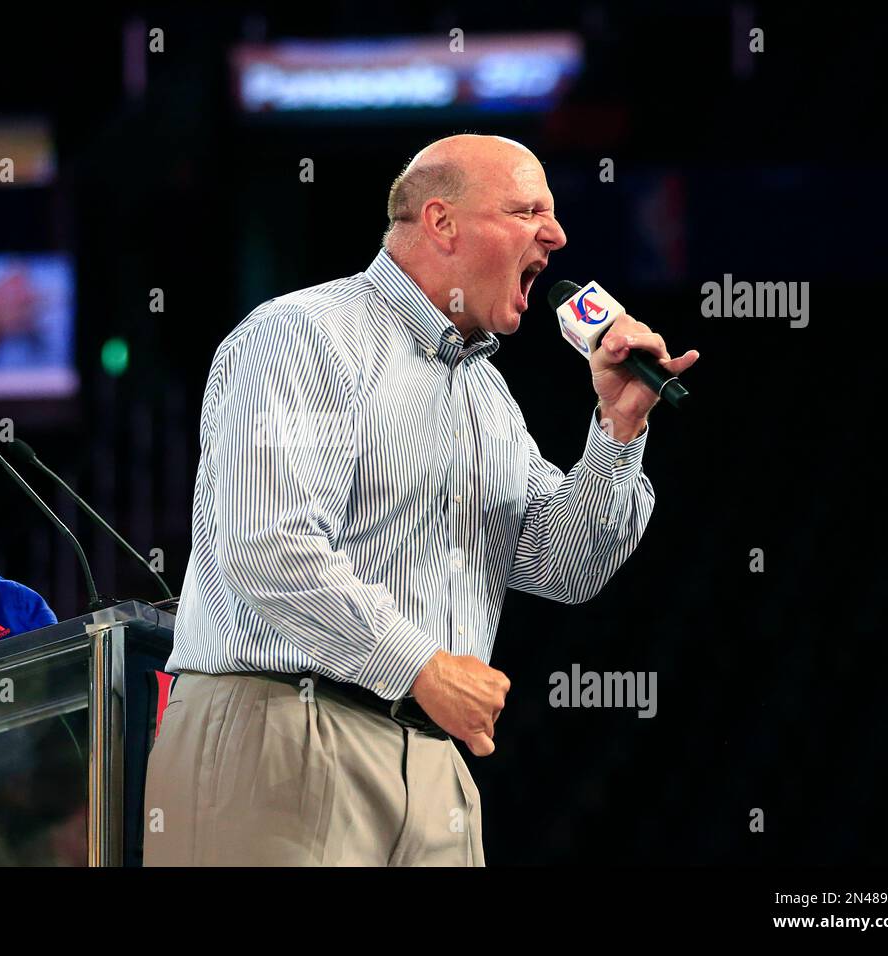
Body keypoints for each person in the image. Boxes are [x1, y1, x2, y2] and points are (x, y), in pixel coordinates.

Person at [143, 134, 700, 866]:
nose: (557, 235)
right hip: (281, 732)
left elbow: (563, 565)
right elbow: (268, 546)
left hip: (437, 767)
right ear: (441, 222)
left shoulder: (487, 396)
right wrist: (422, 668)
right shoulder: (304, 336)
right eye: (529, 209)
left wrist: (618, 431)